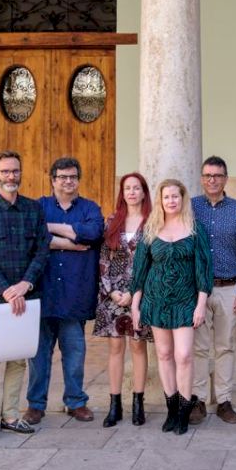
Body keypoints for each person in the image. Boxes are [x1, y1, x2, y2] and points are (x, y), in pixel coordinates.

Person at [0, 150, 50, 441]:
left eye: (15, 171)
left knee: (17, 359)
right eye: (5, 171)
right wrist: (5, 289)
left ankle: (12, 415)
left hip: (26, 296)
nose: (11, 176)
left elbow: (42, 250)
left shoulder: (33, 209)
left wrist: (25, 284)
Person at [130, 179, 213, 435]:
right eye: (166, 197)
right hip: (156, 301)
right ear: (160, 200)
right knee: (164, 355)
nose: (171, 201)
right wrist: (135, 305)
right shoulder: (151, 227)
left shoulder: (194, 227)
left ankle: (185, 411)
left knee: (184, 356)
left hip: (186, 301)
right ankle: (172, 410)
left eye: (175, 196)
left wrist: (201, 304)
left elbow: (204, 269)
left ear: (182, 198)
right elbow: (140, 270)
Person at [27, 156, 104, 424]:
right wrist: (68, 243)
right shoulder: (39, 206)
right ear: (53, 180)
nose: (68, 181)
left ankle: (75, 401)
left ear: (78, 180)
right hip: (43, 292)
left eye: (72, 177)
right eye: (62, 177)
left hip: (74, 293)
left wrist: (52, 230)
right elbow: (31, 234)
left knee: (74, 353)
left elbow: (93, 232)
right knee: (38, 355)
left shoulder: (90, 208)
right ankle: (36, 404)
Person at [189, 156, 236, 425]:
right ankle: (199, 400)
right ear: (202, 179)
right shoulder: (190, 207)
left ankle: (225, 400)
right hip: (199, 291)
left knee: (226, 347)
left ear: (226, 179)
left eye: (217, 175)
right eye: (207, 175)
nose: (212, 180)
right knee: (199, 348)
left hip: (230, 289)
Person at [94, 172, 154, 427]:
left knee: (138, 347)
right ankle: (115, 404)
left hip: (140, 295)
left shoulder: (152, 223)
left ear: (143, 192)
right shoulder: (111, 221)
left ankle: (138, 403)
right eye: (127, 188)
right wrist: (111, 292)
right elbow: (102, 260)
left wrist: (134, 293)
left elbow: (154, 262)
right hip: (112, 297)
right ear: (123, 192)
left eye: (136, 188)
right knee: (115, 348)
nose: (132, 192)